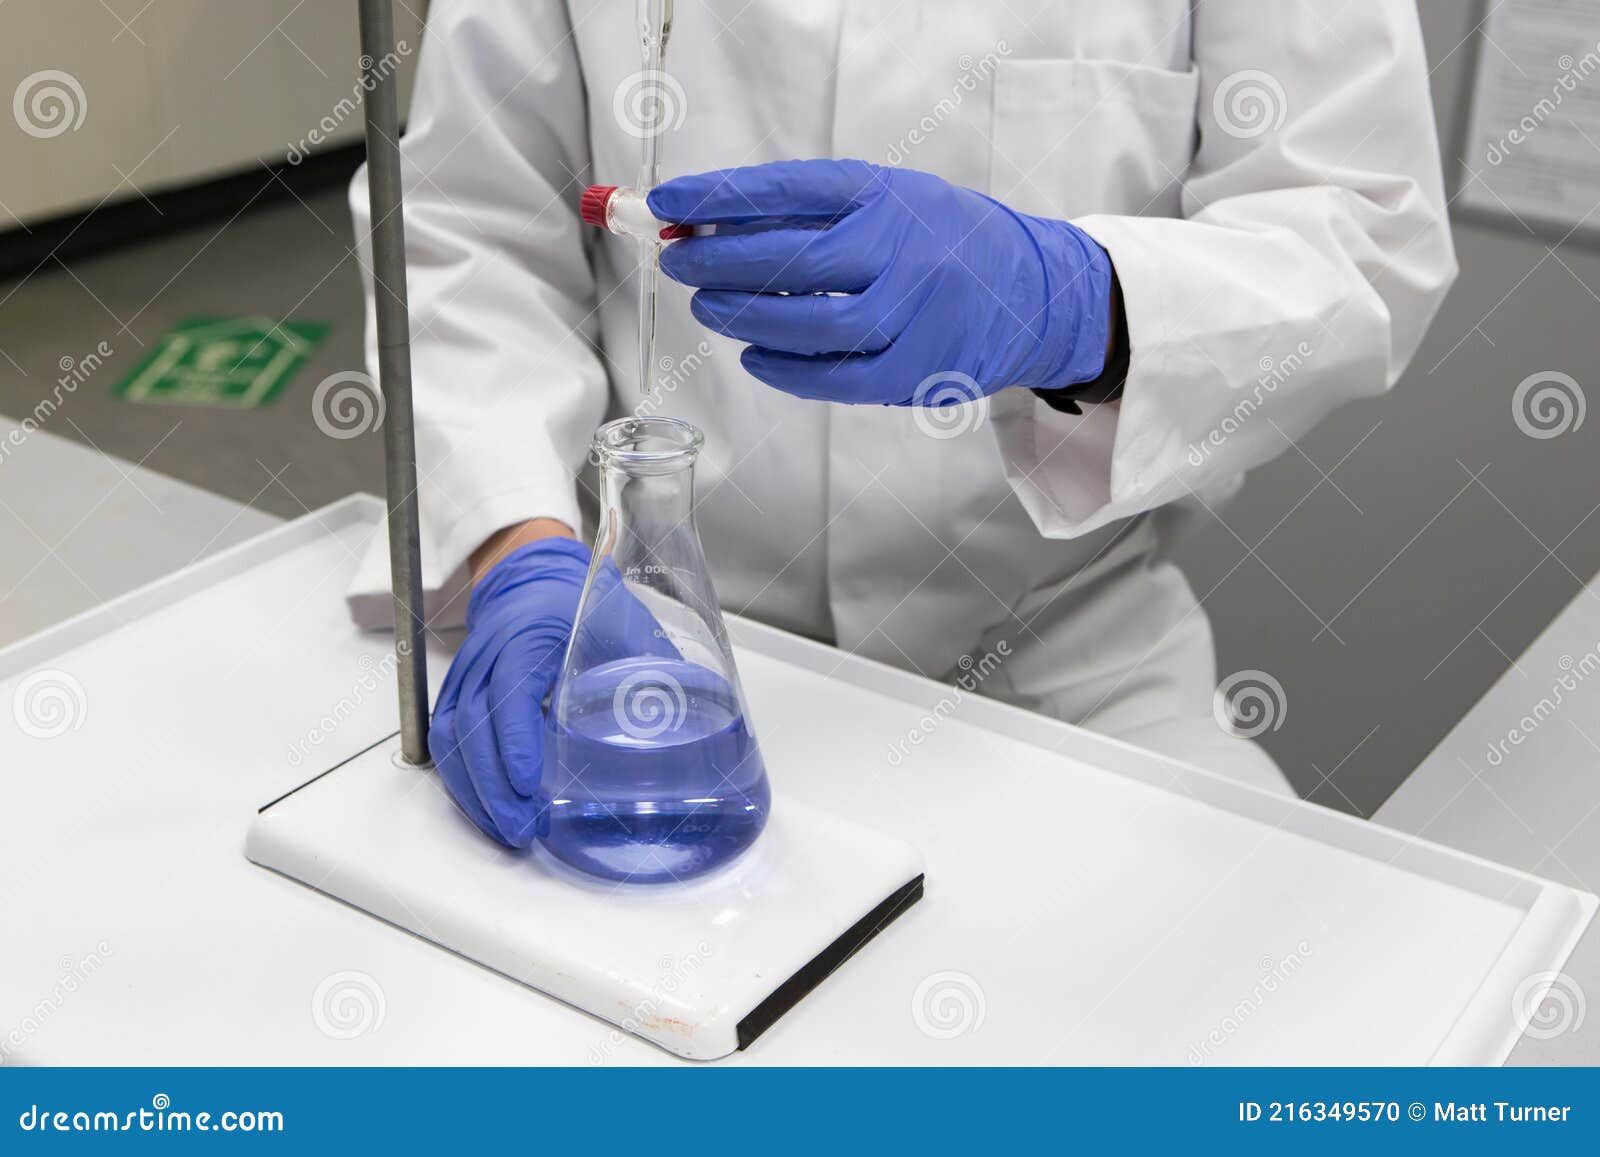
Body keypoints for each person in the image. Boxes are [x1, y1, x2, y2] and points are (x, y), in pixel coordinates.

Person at [349, 0, 1456, 847]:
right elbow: (470, 222)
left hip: (1066, 662)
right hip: (646, 638)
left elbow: (1363, 232)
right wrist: (518, 545)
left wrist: (1076, 299)